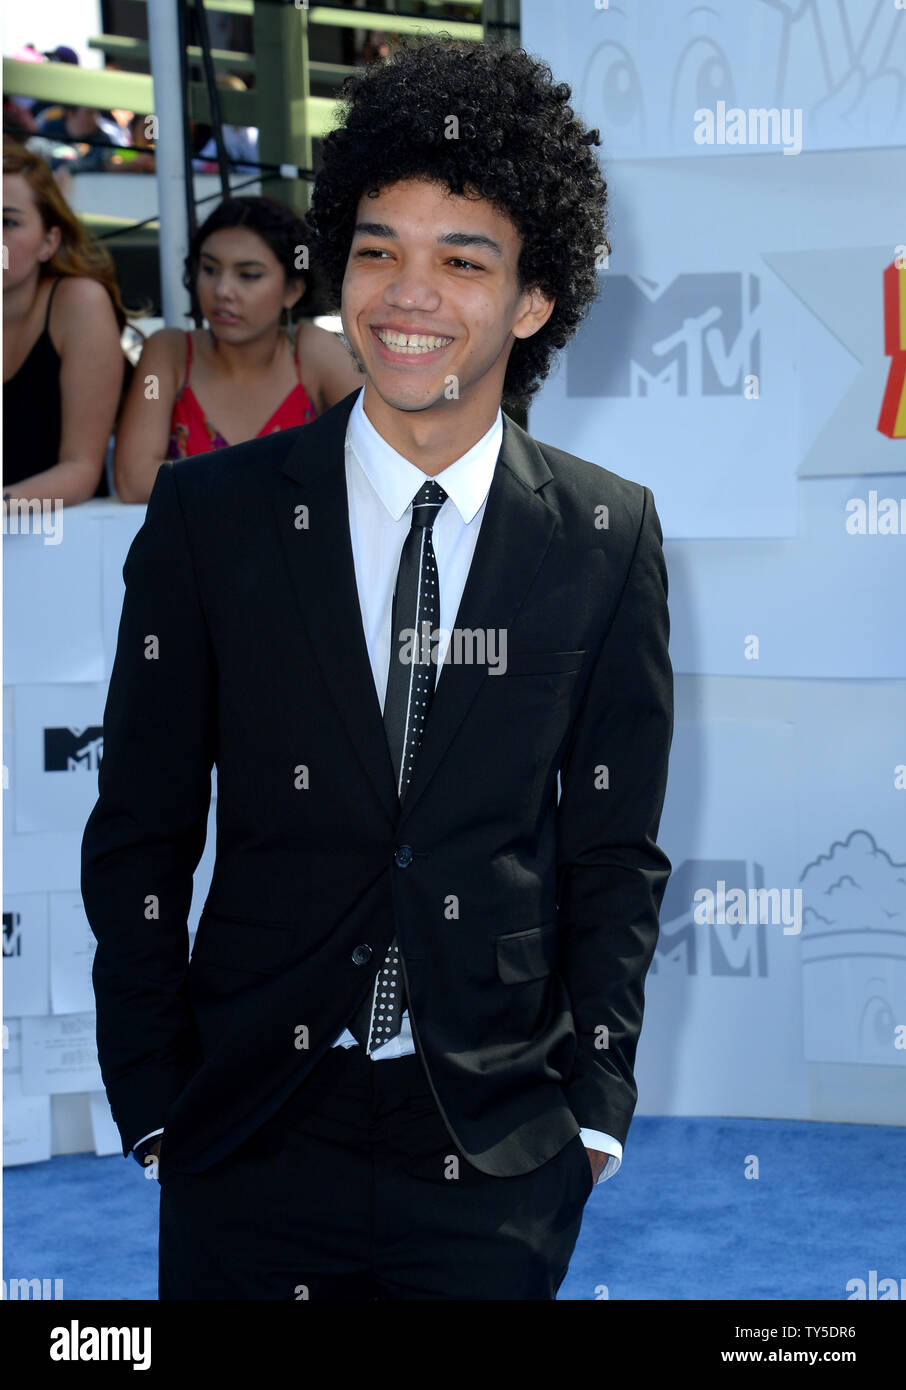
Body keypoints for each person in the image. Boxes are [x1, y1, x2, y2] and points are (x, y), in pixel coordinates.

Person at [82, 38, 674, 1300]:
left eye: (462, 260)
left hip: (495, 1135)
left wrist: (597, 1103)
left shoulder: (606, 534)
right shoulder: (210, 518)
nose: (408, 296)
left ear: (533, 300)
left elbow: (612, 848)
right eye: (376, 251)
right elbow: (137, 825)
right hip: (246, 1122)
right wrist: (150, 1090)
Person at [113, 195, 365, 503]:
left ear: (292, 290)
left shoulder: (312, 351)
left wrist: (212, 485)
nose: (222, 291)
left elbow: (377, 456)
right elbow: (133, 480)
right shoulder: (170, 352)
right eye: (209, 269)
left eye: (248, 275)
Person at [2, 138, 131, 506]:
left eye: (7, 221)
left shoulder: (79, 302)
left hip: (63, 543)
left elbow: (80, 470)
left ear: (49, 240)